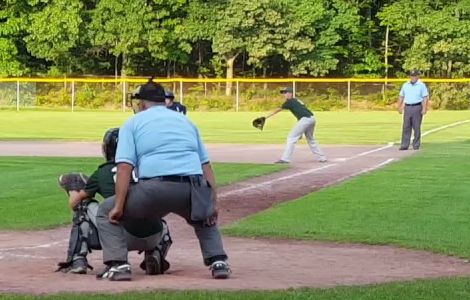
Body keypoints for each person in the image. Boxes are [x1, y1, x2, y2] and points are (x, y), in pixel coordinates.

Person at [103, 82, 231, 281]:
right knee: (205, 219)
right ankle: (218, 262)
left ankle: (119, 265)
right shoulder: (186, 122)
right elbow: (206, 166)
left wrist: (118, 206)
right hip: (192, 187)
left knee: (105, 211)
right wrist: (212, 203)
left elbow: (124, 167)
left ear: (143, 104)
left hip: (154, 189)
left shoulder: (133, 123)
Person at [56, 128, 172, 275]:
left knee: (84, 207)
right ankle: (155, 254)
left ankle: (77, 260)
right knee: (155, 212)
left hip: (120, 238)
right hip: (154, 235)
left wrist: (72, 189)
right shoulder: (147, 169)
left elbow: (74, 204)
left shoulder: (102, 172)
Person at [258, 87, 328, 164]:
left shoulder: (290, 101)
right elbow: (301, 113)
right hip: (311, 119)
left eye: (286, 93)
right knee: (310, 139)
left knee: (291, 138)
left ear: (290, 93)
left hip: (305, 120)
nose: (284, 94)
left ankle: (285, 159)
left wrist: (265, 117)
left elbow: (277, 110)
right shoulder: (296, 101)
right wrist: (300, 132)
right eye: (283, 93)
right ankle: (322, 157)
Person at [397, 69, 430, 150]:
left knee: (416, 127)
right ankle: (404, 144)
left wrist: (425, 108)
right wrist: (399, 106)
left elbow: (425, 97)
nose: (413, 77)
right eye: (412, 76)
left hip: (417, 106)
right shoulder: (405, 85)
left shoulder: (421, 85)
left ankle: (416, 144)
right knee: (406, 126)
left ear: (418, 76)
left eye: (415, 76)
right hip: (407, 107)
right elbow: (401, 96)